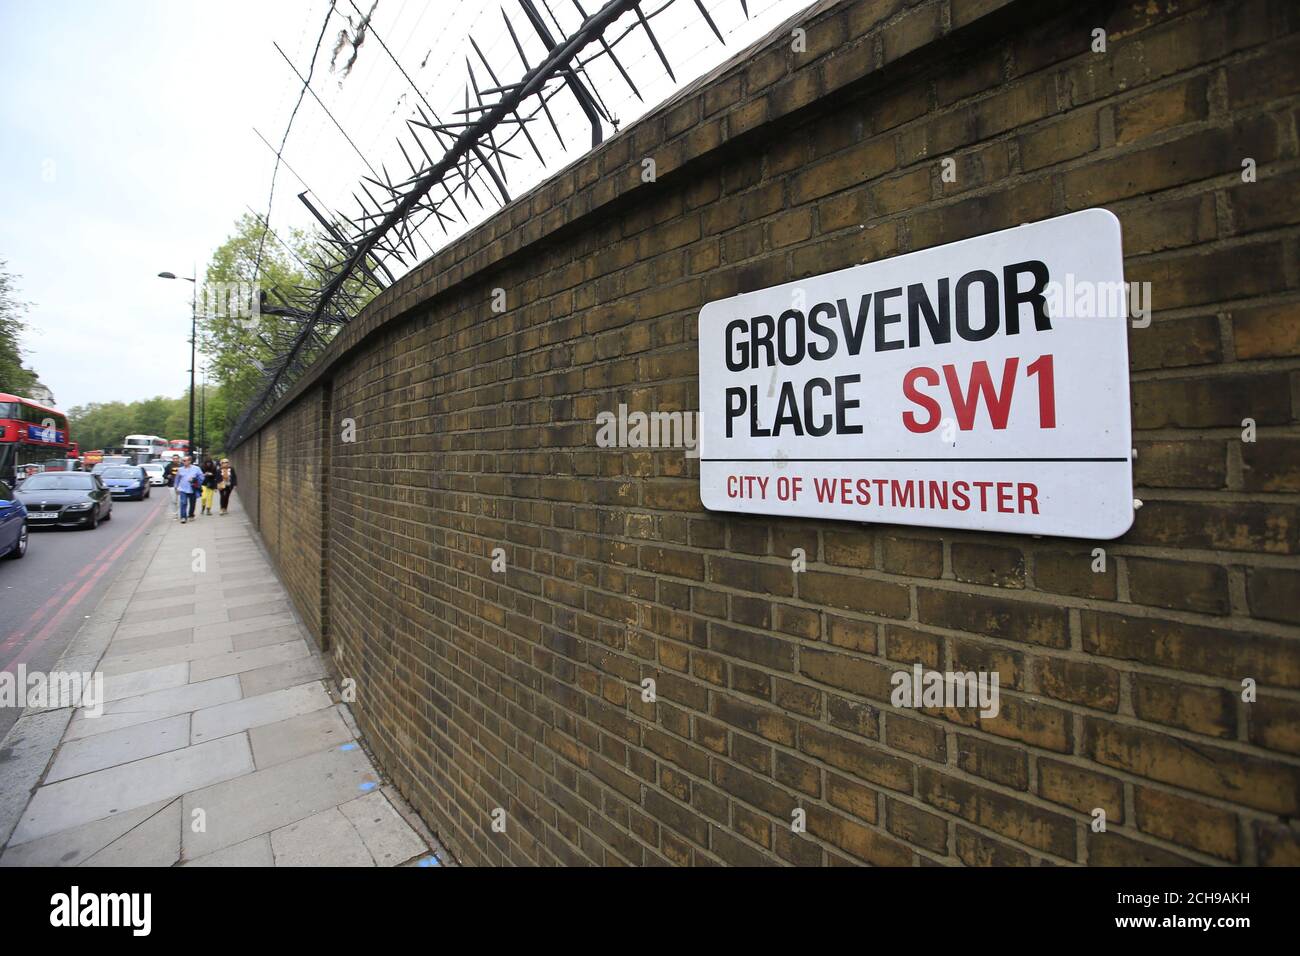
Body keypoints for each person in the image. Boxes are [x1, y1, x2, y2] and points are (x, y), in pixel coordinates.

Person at [174, 455, 203, 524]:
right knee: (183, 502)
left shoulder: (196, 468)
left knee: (192, 503)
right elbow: (177, 479)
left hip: (193, 488)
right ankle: (183, 517)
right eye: (182, 461)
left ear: (189, 461)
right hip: (182, 489)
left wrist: (194, 479)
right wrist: (176, 487)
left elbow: (202, 477)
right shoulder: (180, 469)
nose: (183, 462)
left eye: (185, 460)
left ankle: (191, 515)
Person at [162, 454, 181, 520]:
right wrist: (167, 476)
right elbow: (164, 475)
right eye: (174, 458)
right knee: (174, 501)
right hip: (171, 485)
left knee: (182, 501)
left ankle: (182, 513)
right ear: (172, 459)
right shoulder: (169, 466)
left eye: (176, 458)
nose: (175, 460)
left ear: (179, 459)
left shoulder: (182, 465)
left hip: (181, 486)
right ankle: (175, 514)